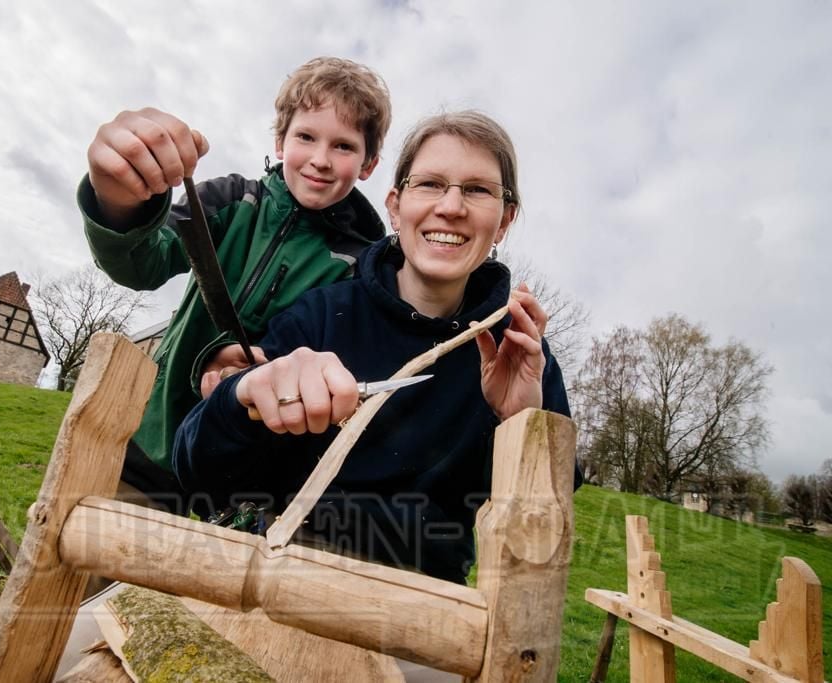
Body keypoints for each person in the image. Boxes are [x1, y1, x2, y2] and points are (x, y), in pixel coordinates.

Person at [173, 111, 582, 585]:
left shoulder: (521, 352)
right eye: (429, 184)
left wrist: (521, 423)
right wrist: (245, 395)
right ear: (395, 205)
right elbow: (196, 467)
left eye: (477, 190)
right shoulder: (320, 313)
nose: (451, 207)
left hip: (427, 600)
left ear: (505, 220)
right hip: (284, 571)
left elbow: (539, 536)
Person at [78, 57, 392, 509]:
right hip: (153, 435)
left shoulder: (363, 265)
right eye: (306, 137)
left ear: (368, 164)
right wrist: (118, 198)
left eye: (344, 146)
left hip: (245, 474)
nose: (321, 160)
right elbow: (142, 265)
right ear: (280, 141)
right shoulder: (231, 199)